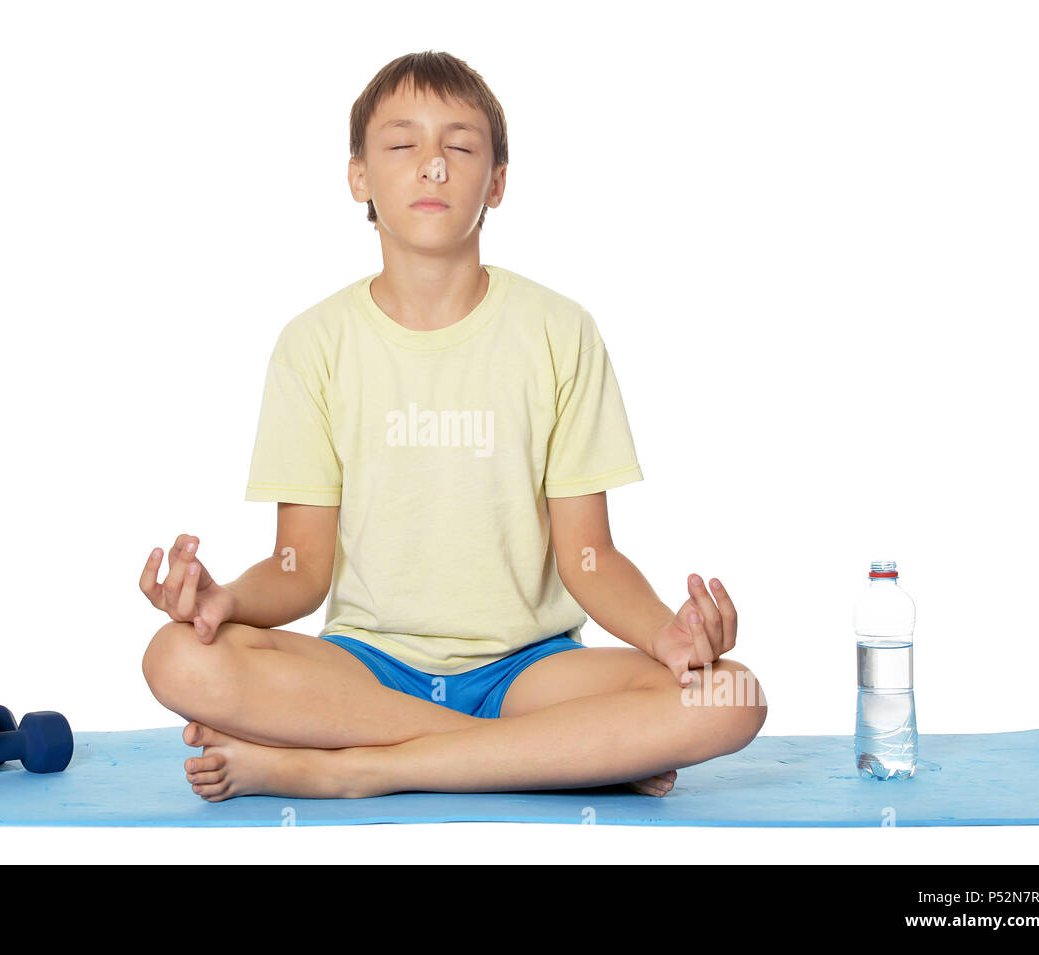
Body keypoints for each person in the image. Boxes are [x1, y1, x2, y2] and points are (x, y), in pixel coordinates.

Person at [140, 50, 767, 801]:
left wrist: (669, 633)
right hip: (364, 668)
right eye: (403, 145)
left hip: (528, 671)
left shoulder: (560, 331)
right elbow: (298, 567)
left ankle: (349, 767)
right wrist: (226, 600)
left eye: (460, 147)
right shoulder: (313, 344)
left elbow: (589, 556)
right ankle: (550, 757)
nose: (432, 167)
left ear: (497, 182)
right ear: (359, 177)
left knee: (734, 696)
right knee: (175, 658)